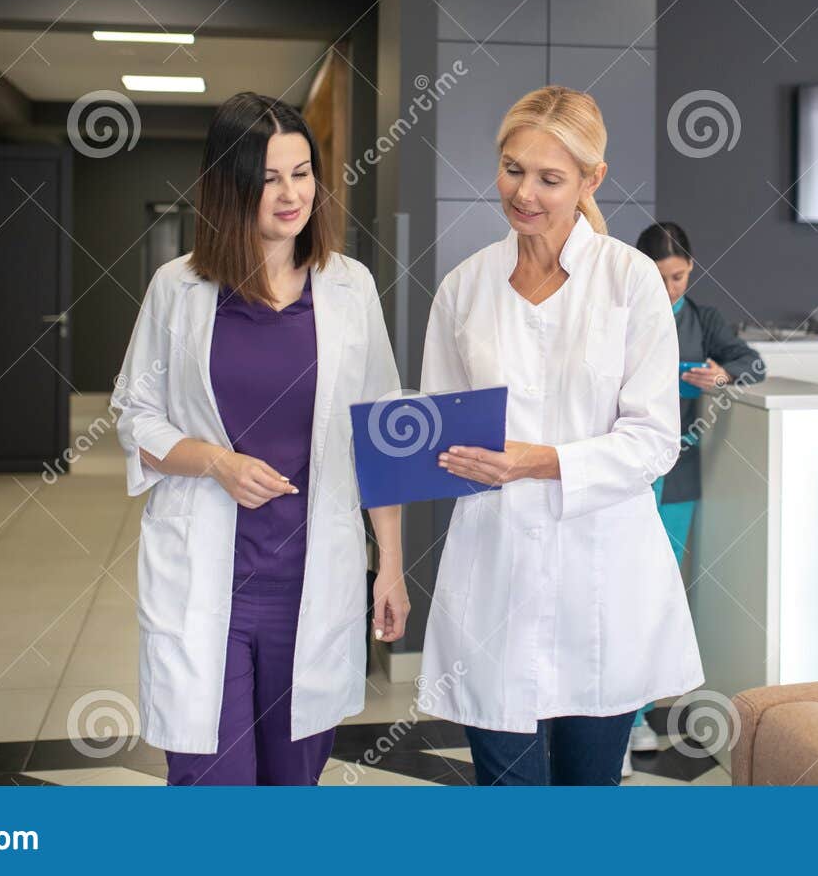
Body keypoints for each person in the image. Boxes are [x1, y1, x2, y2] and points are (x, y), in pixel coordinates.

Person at [112, 92, 409, 785]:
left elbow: (382, 433)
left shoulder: (349, 288)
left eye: (302, 172)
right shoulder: (178, 289)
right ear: (229, 186)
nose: (290, 193)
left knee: (291, 785)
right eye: (268, 177)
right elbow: (137, 417)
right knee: (212, 787)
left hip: (312, 582)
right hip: (205, 579)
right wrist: (215, 461)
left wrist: (388, 562)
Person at [415, 85, 703, 785]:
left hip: (600, 582)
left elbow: (654, 439)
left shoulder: (629, 280)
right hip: (494, 575)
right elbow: (439, 430)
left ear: (591, 180)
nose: (526, 193)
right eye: (513, 169)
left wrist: (537, 461)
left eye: (550, 178)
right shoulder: (464, 288)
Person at [626, 221, 765, 760]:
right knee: (619, 593)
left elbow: (751, 362)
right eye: (659, 278)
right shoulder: (618, 315)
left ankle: (636, 715)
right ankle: (606, 716)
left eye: (679, 277)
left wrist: (722, 377)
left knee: (655, 596)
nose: (670, 289)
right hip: (625, 475)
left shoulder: (704, 320)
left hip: (677, 477)